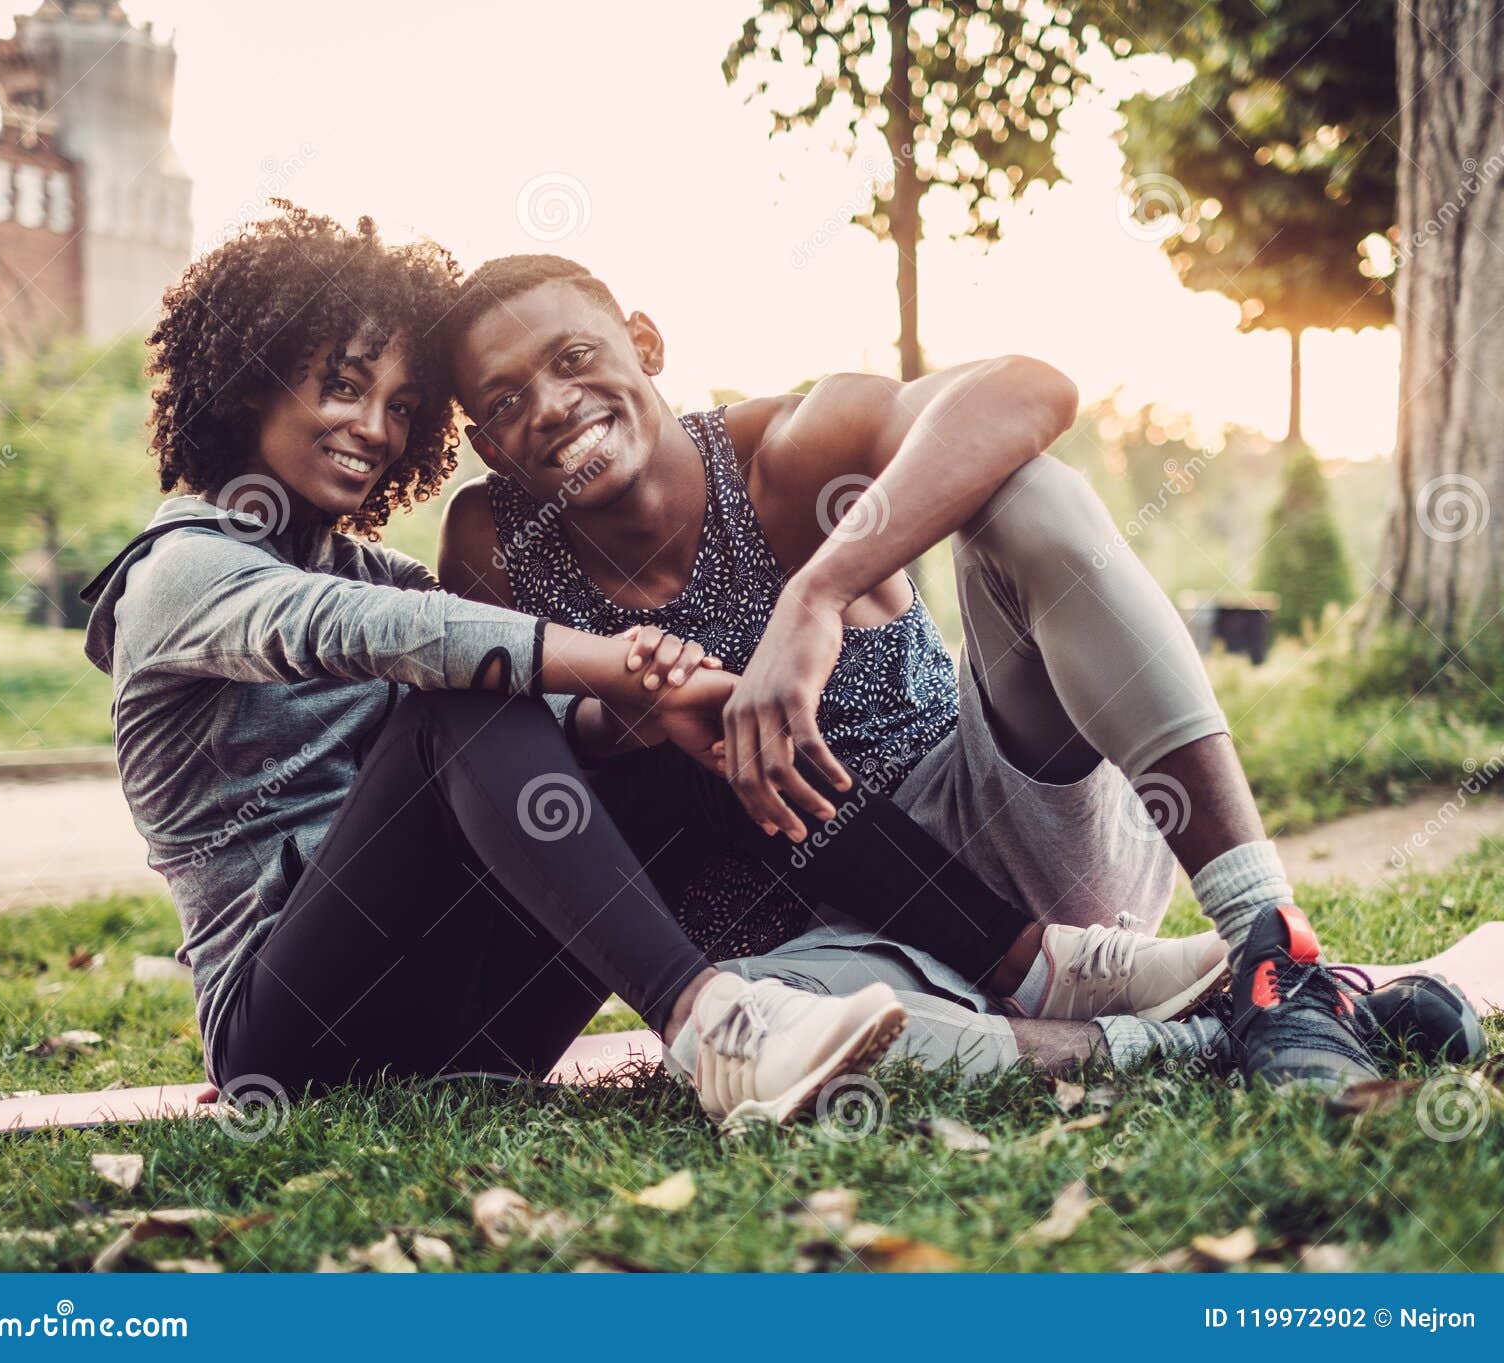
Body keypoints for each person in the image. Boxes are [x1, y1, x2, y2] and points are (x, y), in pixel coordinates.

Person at [432, 254, 1440, 1093]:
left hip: (1005, 830)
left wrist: (815, 593)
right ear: (486, 444)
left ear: (644, 344)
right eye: (507, 401)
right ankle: (1222, 1034)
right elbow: (518, 761)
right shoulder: (493, 541)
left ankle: (1265, 934)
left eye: (574, 358)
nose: (551, 406)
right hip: (808, 950)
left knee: (1026, 494)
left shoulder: (788, 453)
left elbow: (1031, 391)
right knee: (776, 1048)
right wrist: (632, 705)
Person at [79, 204, 920, 1130]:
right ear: (251, 384)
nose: (376, 428)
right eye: (343, 388)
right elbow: (385, 631)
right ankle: (714, 1024)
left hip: (472, 1030)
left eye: (402, 407)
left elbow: (524, 736)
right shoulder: (177, 571)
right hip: (286, 1039)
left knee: (679, 744)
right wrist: (622, 665)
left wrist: (646, 711)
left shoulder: (370, 570)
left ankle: (1022, 956)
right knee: (462, 691)